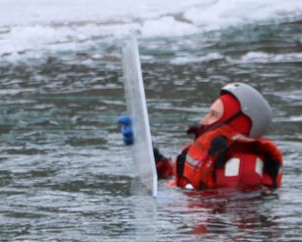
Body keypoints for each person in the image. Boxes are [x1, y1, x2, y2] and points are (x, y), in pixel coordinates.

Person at [120, 82, 283, 191]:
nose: (203, 120)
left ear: (234, 124)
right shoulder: (215, 153)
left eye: (213, 115)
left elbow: (229, 213)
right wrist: (144, 146)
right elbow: (181, 175)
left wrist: (167, 203)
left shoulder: (243, 166)